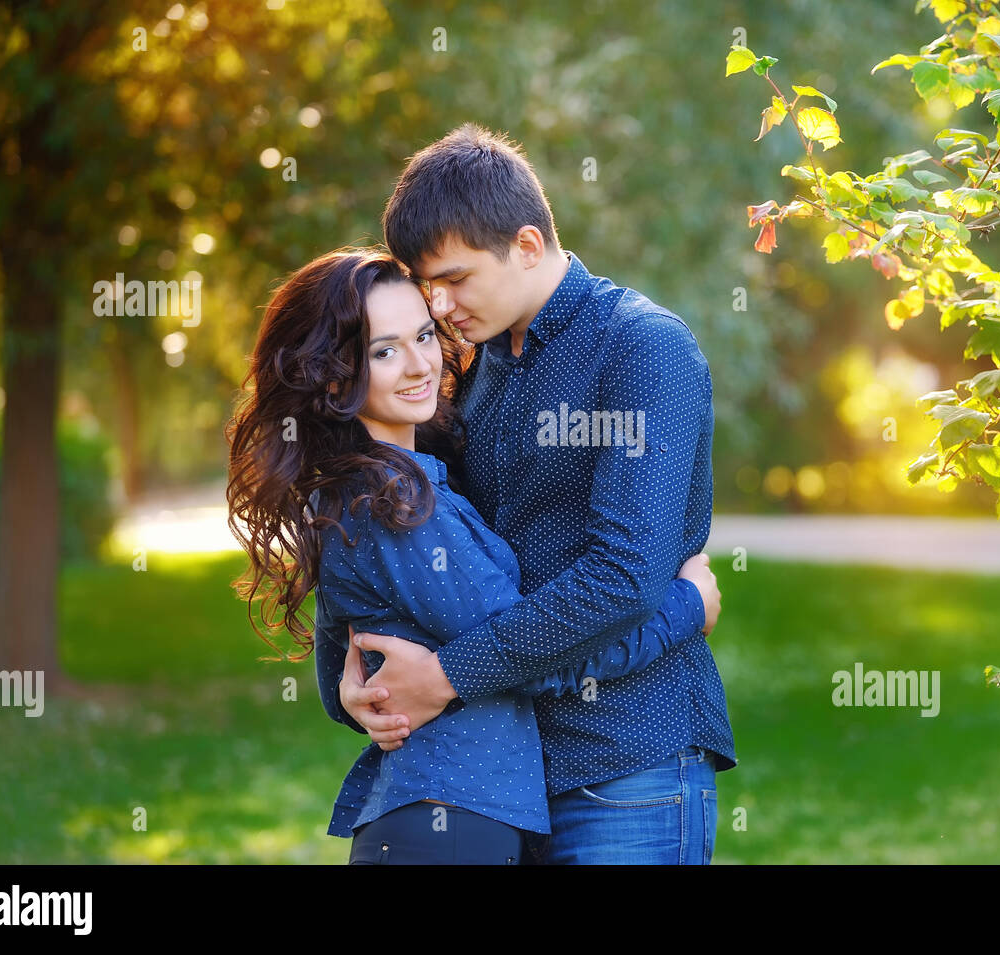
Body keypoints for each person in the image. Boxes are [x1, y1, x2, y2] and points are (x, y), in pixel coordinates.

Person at [226, 247, 721, 864]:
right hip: (453, 815)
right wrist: (686, 606)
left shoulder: (366, 490)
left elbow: (340, 671)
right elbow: (525, 647)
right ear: (334, 377)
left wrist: (362, 696)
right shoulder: (397, 501)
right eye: (383, 351)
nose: (420, 365)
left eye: (425, 336)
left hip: (468, 808)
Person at [339, 123, 737, 865]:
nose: (440, 304)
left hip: (628, 765)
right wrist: (354, 679)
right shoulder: (475, 368)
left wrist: (447, 677)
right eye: (428, 284)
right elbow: (424, 551)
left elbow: (621, 577)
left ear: (526, 244)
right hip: (499, 782)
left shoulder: (642, 347)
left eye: (455, 277)